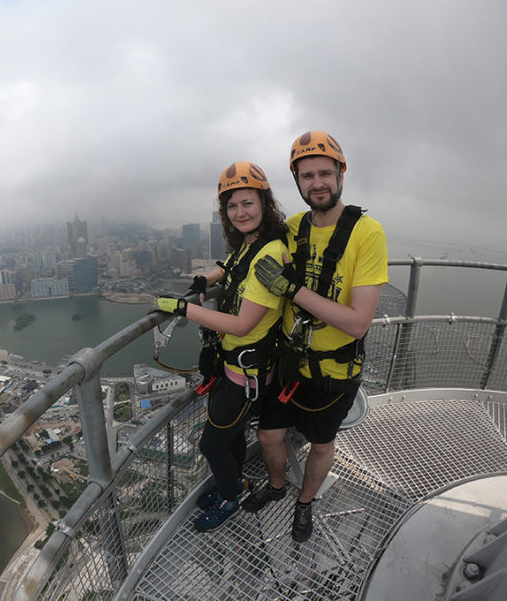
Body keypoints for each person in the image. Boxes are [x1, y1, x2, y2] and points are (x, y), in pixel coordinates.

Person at [242, 130, 388, 543]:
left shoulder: (367, 233)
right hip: (290, 362)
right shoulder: (292, 228)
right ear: (298, 182)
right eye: (307, 176)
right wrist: (205, 281)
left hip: (335, 370)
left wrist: (293, 289)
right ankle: (275, 486)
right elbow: (248, 256)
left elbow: (358, 322)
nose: (317, 183)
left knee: (322, 445)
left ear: (342, 174)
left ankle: (304, 501)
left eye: (325, 173)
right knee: (268, 434)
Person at [154, 161, 288, 532]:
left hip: (245, 373)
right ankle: (236, 482)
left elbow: (244, 323)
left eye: (247, 203)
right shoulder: (252, 244)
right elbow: (233, 266)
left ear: (264, 202)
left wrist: (186, 308)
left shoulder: (270, 253)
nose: (239, 212)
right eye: (232, 206)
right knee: (229, 437)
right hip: (235, 367)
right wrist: (204, 278)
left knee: (211, 445)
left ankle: (230, 498)